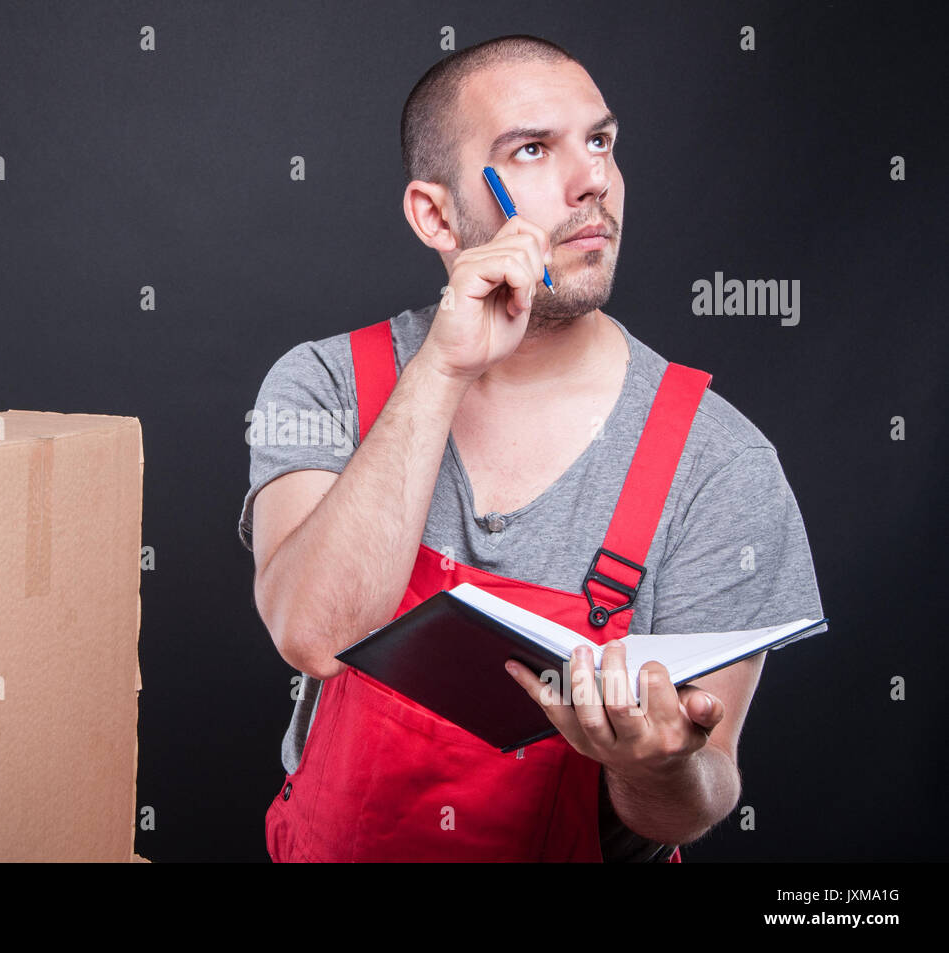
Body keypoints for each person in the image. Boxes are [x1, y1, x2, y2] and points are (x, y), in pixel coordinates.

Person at [238, 34, 825, 862]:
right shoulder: (325, 383)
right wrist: (443, 365)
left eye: (600, 141)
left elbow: (696, 800)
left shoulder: (718, 462)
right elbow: (313, 632)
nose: (593, 181)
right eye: (532, 150)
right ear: (437, 215)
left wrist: (650, 766)